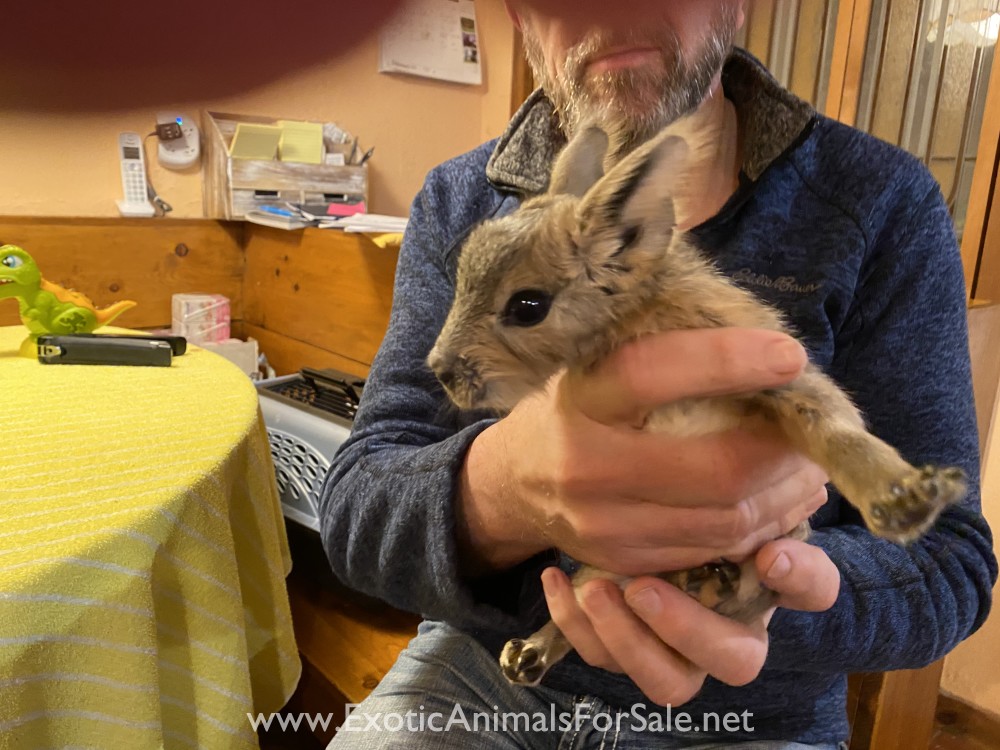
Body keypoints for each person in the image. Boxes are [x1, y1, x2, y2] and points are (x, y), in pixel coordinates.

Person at [319, 0, 997, 747]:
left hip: (753, 718)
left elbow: (947, 566)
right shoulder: (459, 199)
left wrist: (770, 583)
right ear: (518, 13)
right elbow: (355, 511)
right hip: (476, 680)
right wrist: (508, 486)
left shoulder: (883, 202)